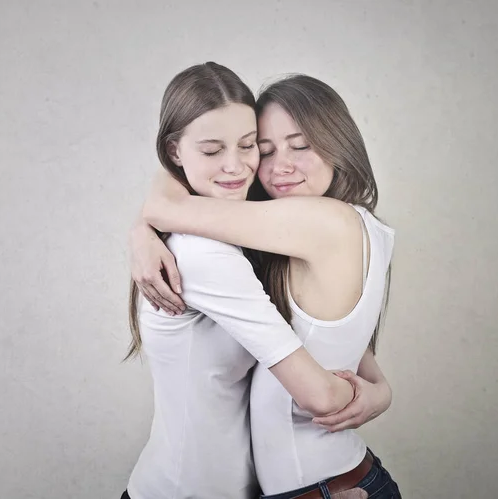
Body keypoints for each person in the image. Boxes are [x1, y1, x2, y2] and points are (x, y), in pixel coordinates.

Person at [124, 62, 393, 499]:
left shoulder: (323, 222)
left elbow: (167, 203)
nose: (278, 166)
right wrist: (378, 391)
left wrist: (141, 227)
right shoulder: (246, 242)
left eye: (301, 145)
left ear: (338, 143)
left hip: (320, 485)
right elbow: (325, 336)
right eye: (265, 150)